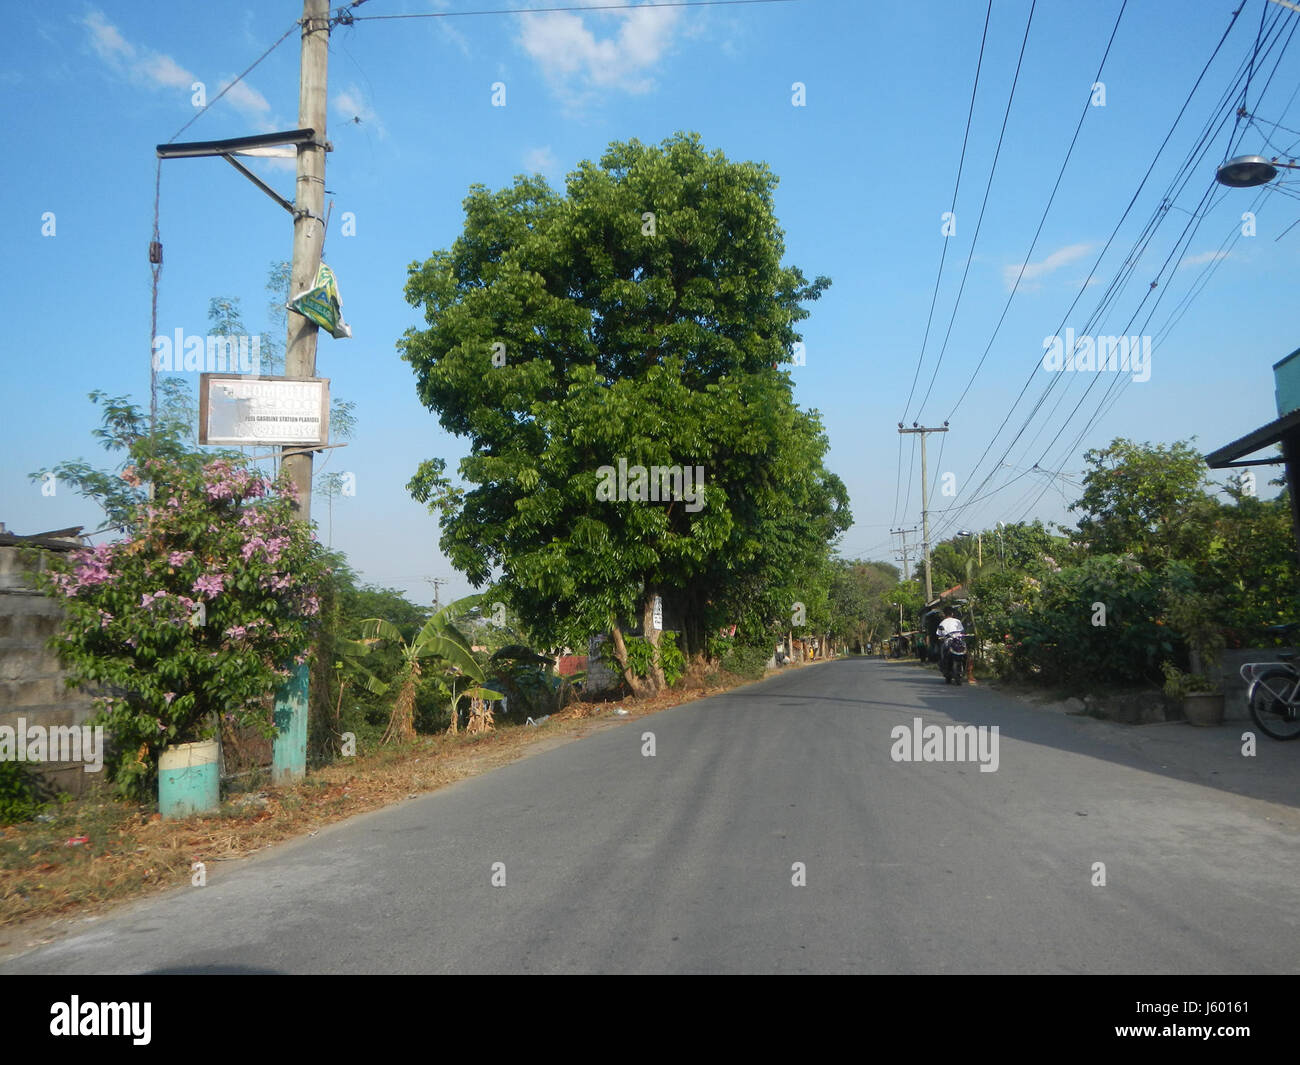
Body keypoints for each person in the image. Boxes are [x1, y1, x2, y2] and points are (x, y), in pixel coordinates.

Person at [936, 606, 964, 680]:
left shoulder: (942, 623)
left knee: (943, 653)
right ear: (952, 613)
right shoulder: (958, 621)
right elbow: (962, 631)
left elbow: (939, 634)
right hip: (958, 642)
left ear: (944, 614)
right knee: (964, 652)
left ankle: (944, 666)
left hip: (949, 642)